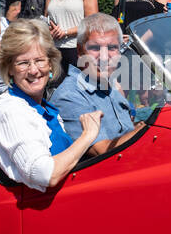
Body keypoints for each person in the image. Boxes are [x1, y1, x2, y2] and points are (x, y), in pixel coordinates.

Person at [0, 19, 102, 191]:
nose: (33, 70)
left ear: (50, 63)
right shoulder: (11, 111)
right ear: (9, 68)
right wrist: (87, 136)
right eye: (23, 63)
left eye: (40, 60)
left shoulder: (44, 107)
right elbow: (45, 174)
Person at [50, 12, 145, 157]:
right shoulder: (69, 96)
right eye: (95, 48)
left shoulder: (108, 84)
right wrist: (148, 128)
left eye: (112, 47)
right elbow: (102, 151)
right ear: (80, 52)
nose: (105, 56)